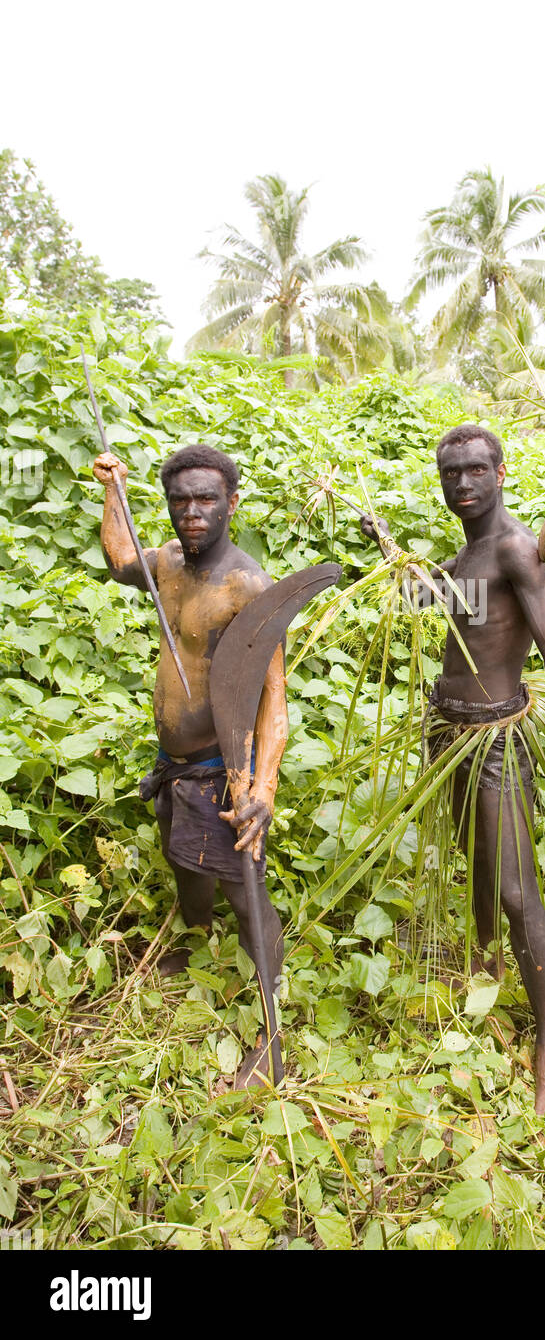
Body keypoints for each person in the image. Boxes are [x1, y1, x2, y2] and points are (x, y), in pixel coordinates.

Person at [362, 424, 545, 1115]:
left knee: (518, 888)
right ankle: (486, 961)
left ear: (501, 473)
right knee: (478, 863)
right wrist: (387, 553)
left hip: (496, 743)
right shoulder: (466, 554)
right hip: (453, 740)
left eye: (474, 471)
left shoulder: (516, 552)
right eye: (450, 475)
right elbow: (433, 607)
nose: (461, 484)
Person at [94, 444, 287, 1087]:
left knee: (246, 890)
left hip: (222, 764)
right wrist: (112, 491)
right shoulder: (165, 564)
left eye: (207, 500)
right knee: (182, 858)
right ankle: (193, 940)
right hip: (172, 761)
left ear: (232, 503)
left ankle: (272, 1031)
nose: (193, 512)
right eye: (181, 501)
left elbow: (273, 704)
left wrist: (261, 785)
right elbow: (121, 558)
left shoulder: (247, 586)